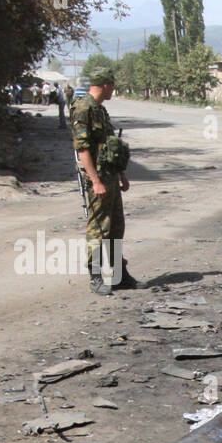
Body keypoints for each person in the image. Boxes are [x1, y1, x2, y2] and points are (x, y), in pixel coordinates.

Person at [71, 67, 145, 295]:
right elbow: (82, 150)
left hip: (110, 176)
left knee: (115, 227)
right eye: (112, 85)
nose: (113, 89)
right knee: (98, 229)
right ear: (104, 85)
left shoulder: (100, 110)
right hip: (98, 179)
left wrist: (121, 174)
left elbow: (110, 146)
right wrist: (95, 181)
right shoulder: (84, 109)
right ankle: (95, 278)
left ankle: (118, 275)